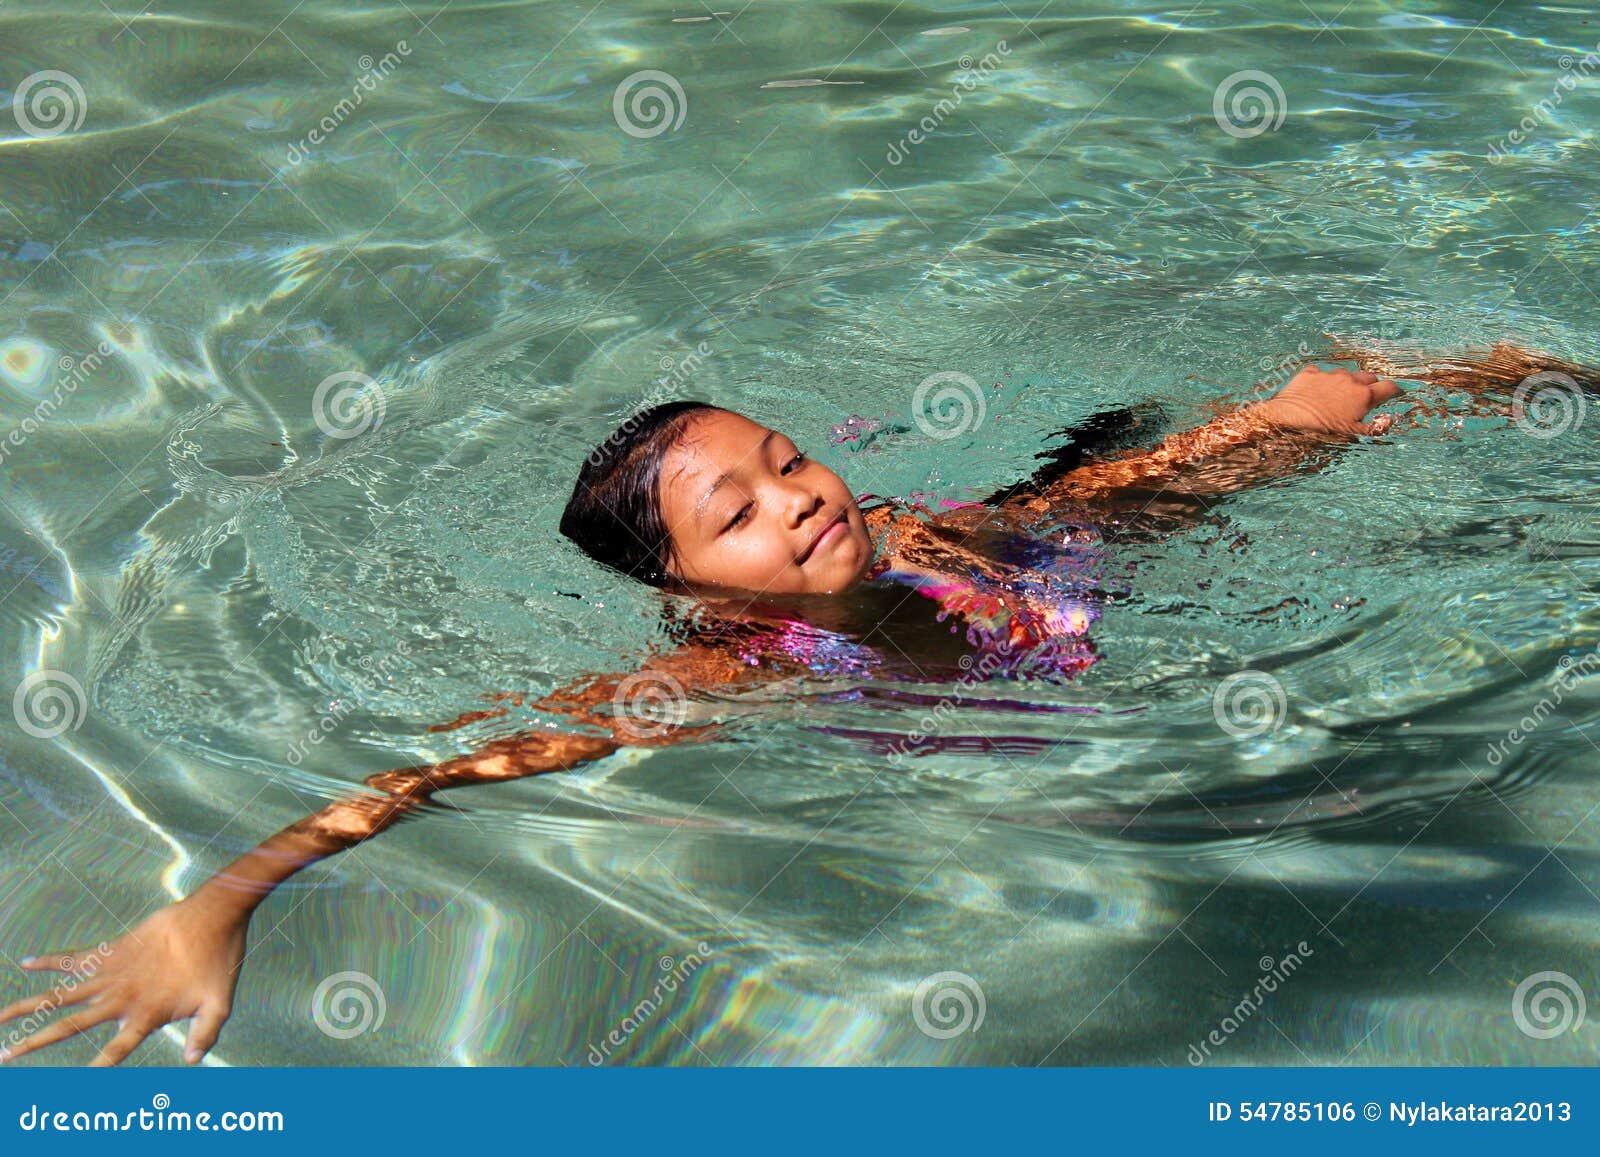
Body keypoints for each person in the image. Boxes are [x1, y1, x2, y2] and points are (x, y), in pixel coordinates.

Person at [0, 342, 1580, 1066]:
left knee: (1147, 481)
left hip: (1052, 609)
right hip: (1032, 756)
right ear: (698, 590)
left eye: (785, 461)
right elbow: (448, 774)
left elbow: (1163, 481)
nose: (797, 501)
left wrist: (1337, 406)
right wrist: (219, 901)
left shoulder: (933, 533)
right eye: (742, 513)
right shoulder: (723, 671)